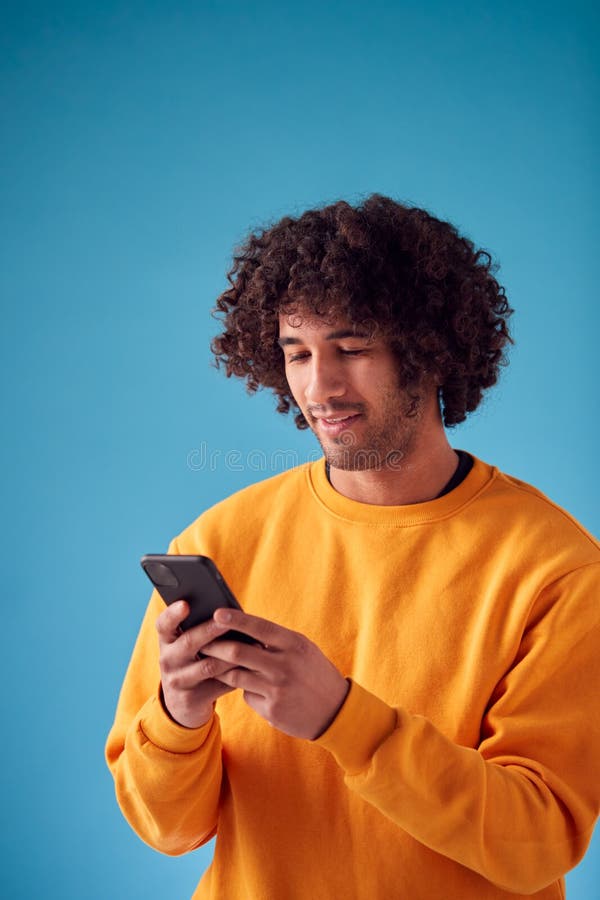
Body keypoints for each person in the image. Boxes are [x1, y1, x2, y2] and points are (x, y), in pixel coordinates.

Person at [106, 195, 600, 899]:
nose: (320, 386)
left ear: (430, 350)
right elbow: (167, 830)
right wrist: (179, 718)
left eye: (352, 348)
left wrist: (343, 718)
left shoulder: (558, 571)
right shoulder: (220, 541)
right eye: (296, 353)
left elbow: (539, 842)